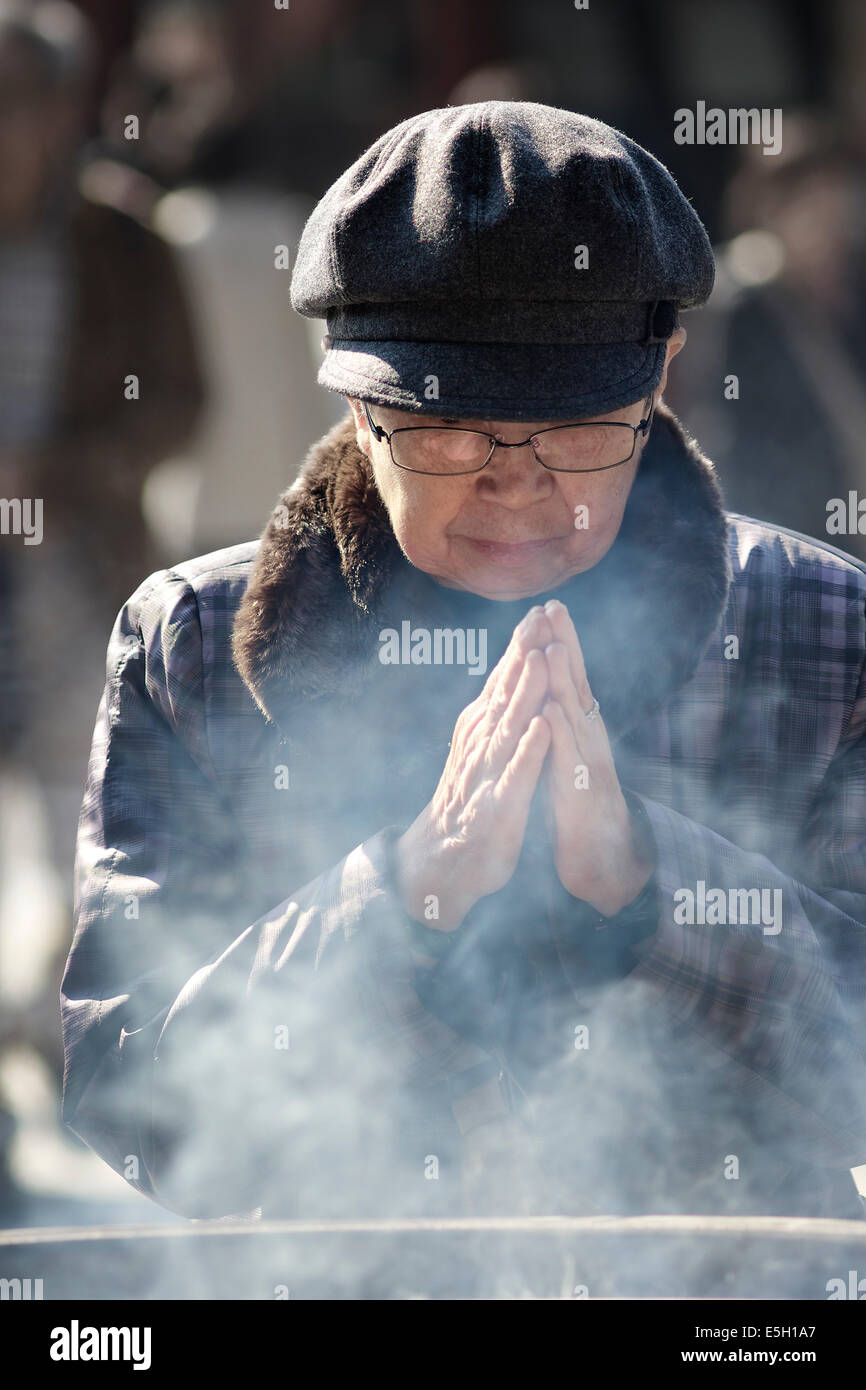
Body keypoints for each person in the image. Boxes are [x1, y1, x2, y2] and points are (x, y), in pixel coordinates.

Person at [61, 103, 866, 1229]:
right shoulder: (193, 644)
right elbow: (134, 1099)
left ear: (660, 379)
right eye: (449, 436)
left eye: (578, 430)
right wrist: (401, 894)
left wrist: (650, 886)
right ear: (356, 399)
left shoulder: (817, 628)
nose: (515, 485)